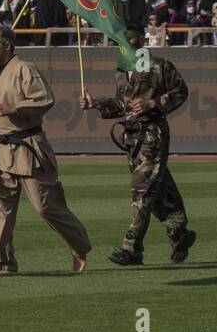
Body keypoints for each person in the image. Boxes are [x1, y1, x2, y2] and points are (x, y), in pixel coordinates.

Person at [0, 24, 91, 274]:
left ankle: (79, 246)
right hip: (2, 153)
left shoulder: (25, 68)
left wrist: (16, 107)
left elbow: (45, 99)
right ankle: (3, 263)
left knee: (46, 206)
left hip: (29, 149)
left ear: (7, 46)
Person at [81, 27, 196, 265]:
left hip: (153, 134)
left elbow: (181, 91)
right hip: (132, 138)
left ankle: (132, 248)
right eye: (122, 39)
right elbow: (122, 105)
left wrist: (153, 103)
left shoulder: (159, 66)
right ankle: (179, 232)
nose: (127, 43)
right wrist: (96, 104)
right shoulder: (122, 70)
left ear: (140, 39)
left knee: (142, 190)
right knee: (158, 188)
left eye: (131, 38)